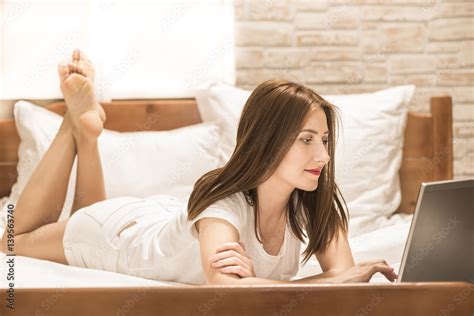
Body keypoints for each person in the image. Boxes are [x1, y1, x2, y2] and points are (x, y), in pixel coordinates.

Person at [0, 50, 398, 285]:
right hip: (117, 237)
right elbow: (228, 288)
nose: (323, 157)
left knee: (78, 214)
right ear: (269, 141)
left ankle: (84, 132)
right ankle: (76, 127)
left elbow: (345, 282)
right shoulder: (224, 205)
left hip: (156, 218)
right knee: (12, 243)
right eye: (307, 140)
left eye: (325, 140)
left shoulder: (312, 202)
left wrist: (338, 278)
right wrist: (332, 279)